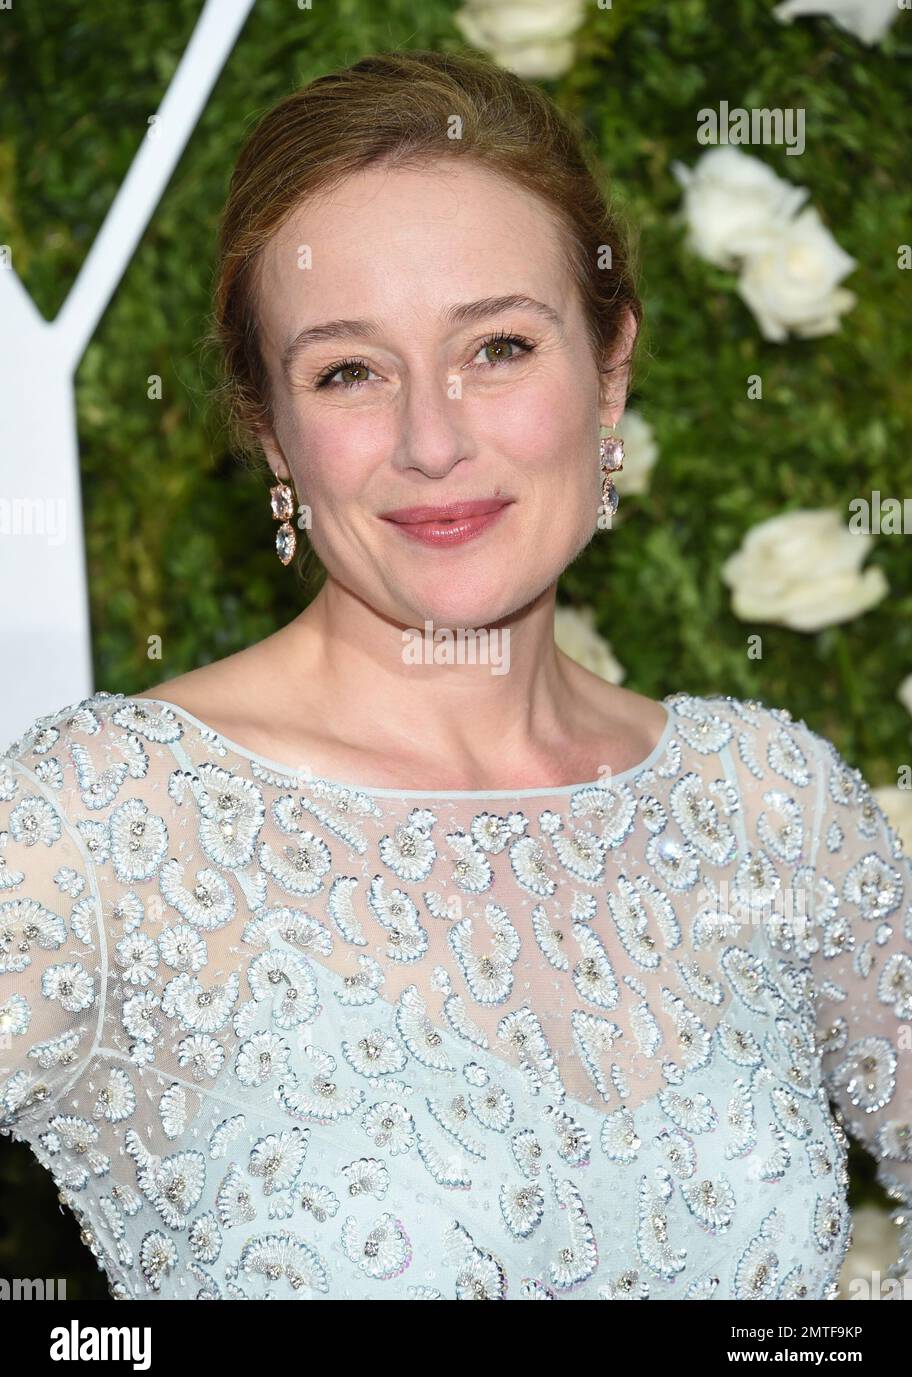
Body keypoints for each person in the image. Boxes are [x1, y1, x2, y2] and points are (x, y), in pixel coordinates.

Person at [1, 49, 910, 1301]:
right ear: (273, 432)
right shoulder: (104, 821)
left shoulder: (770, 806)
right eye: (349, 372)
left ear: (613, 371)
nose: (432, 439)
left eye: (497, 348)